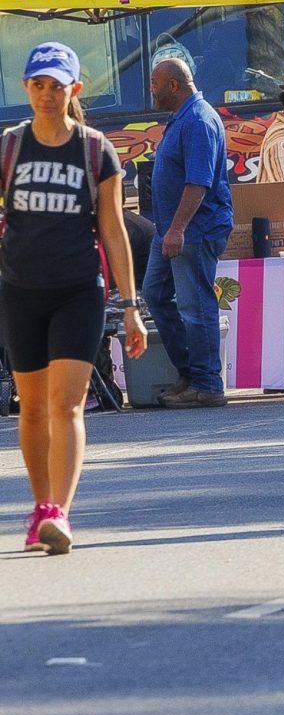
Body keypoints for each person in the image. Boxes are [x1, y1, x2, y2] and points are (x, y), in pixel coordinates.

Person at [2, 43, 145, 554]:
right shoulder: (10, 148)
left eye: (56, 86)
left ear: (74, 90)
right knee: (33, 408)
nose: (46, 94)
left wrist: (131, 307)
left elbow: (112, 229)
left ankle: (59, 512)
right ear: (26, 88)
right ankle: (41, 506)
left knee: (67, 404)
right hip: (19, 293)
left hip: (77, 292)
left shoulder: (93, 149)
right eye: (38, 85)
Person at [145, 56, 234, 408]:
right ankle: (191, 374)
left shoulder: (197, 120)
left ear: (173, 85)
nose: (150, 90)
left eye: (154, 83)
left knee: (195, 306)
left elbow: (198, 182)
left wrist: (177, 229)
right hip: (170, 230)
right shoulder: (181, 117)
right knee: (155, 295)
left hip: (192, 231)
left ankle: (208, 384)